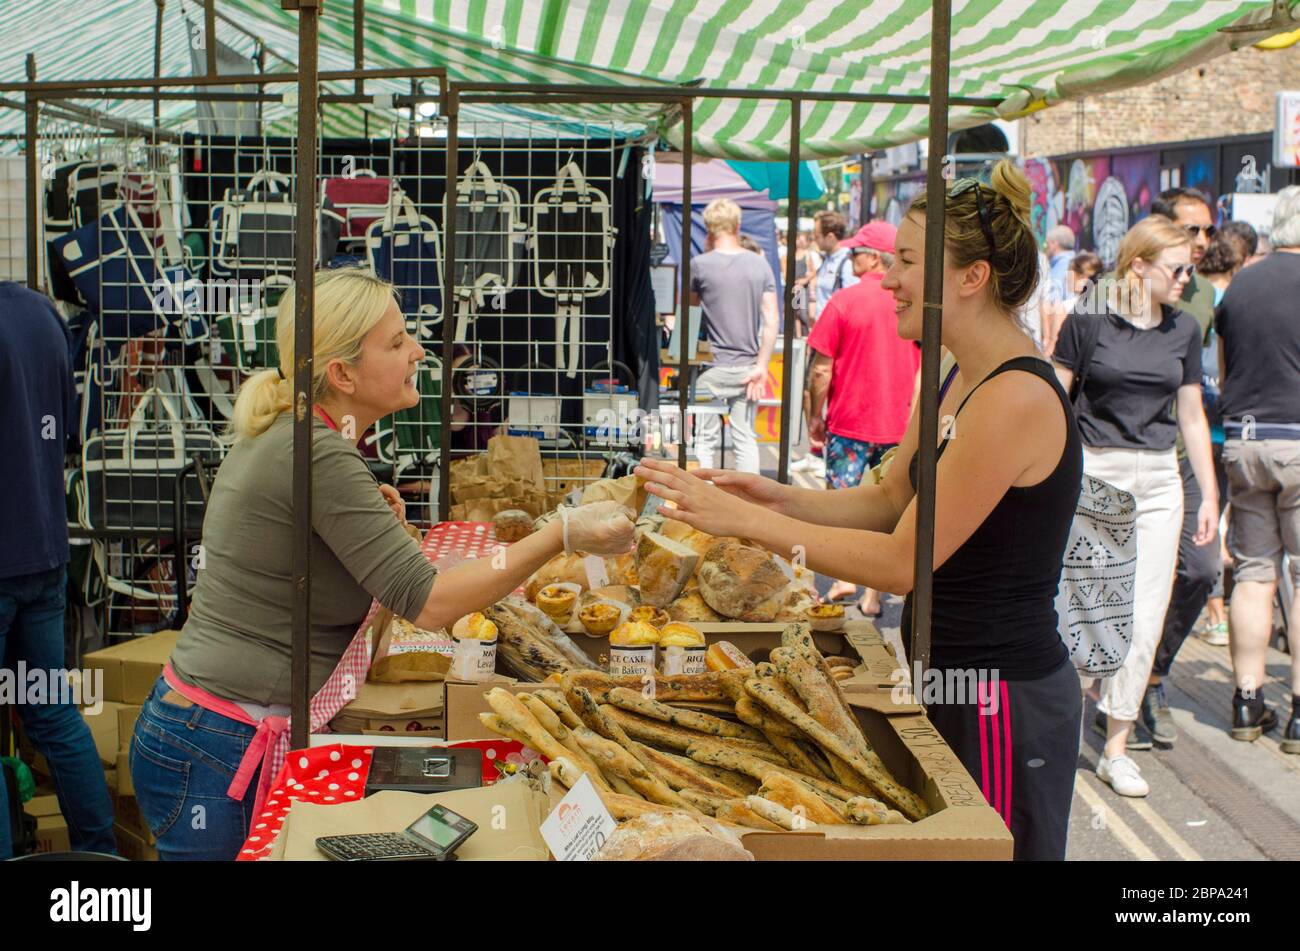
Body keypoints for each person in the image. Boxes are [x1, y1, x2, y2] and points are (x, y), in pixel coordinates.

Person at [639, 161, 1085, 860]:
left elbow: (903, 561)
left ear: (971, 278)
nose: (886, 278)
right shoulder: (950, 373)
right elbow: (888, 500)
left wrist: (747, 524)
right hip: (949, 675)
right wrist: (774, 496)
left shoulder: (1013, 398)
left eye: (907, 261)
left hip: (1003, 698)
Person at [130, 268, 635, 859]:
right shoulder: (318, 453)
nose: (418, 351)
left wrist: (371, 528)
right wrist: (560, 533)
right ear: (342, 373)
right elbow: (430, 601)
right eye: (396, 343)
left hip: (207, 732)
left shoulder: (308, 439)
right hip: (215, 745)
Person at [1053, 216, 1216, 795]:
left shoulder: (1184, 330)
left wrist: (1208, 495)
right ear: (1138, 266)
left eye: (1191, 267)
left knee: (1145, 615)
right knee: (1092, 608)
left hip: (1159, 482)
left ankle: (1117, 745)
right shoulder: (1089, 320)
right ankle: (1063, 728)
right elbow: (1054, 397)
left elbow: (1192, 415)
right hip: (1097, 470)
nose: (1187, 277)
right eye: (1178, 267)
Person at [0, 281, 117, 859]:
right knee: (54, 715)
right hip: (44, 550)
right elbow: (67, 433)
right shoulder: (41, 314)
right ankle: (100, 855)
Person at [1138, 188, 1226, 747]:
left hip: (1183, 458)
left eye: (1208, 233)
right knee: (1131, 583)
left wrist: (1215, 489)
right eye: (1190, 232)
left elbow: (1200, 392)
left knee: (1200, 569)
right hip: (1126, 457)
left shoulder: (1205, 300)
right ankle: (1126, 684)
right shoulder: (1112, 296)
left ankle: (1155, 673)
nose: (1201, 243)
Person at [1215, 185, 1300, 754]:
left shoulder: (1243, 281)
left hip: (1245, 442)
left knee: (1253, 574)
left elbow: (1223, 373)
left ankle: (1247, 700)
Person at [806, 221, 920, 616]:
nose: (850, 257)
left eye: (856, 251)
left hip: (849, 424)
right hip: (898, 426)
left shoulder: (844, 300)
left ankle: (843, 578)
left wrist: (813, 415)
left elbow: (822, 369)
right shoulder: (913, 302)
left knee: (841, 507)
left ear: (874, 257)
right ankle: (872, 594)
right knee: (888, 515)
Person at [689, 199, 778, 475]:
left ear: (709, 229)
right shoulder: (759, 265)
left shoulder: (700, 265)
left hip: (710, 368)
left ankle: (701, 498)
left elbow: (688, 318)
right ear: (738, 225)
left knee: (704, 439)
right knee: (745, 438)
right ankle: (747, 502)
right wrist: (761, 366)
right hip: (748, 368)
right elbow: (772, 318)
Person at [810, 210, 858, 322]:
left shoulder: (847, 263)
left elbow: (851, 304)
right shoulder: (826, 259)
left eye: (817, 236)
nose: (814, 240)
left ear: (830, 237)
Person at [1045, 224, 1076, 301]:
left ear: (1054, 244)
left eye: (1046, 243)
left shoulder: (1061, 265)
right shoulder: (1073, 262)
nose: (1044, 247)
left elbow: (1052, 300)